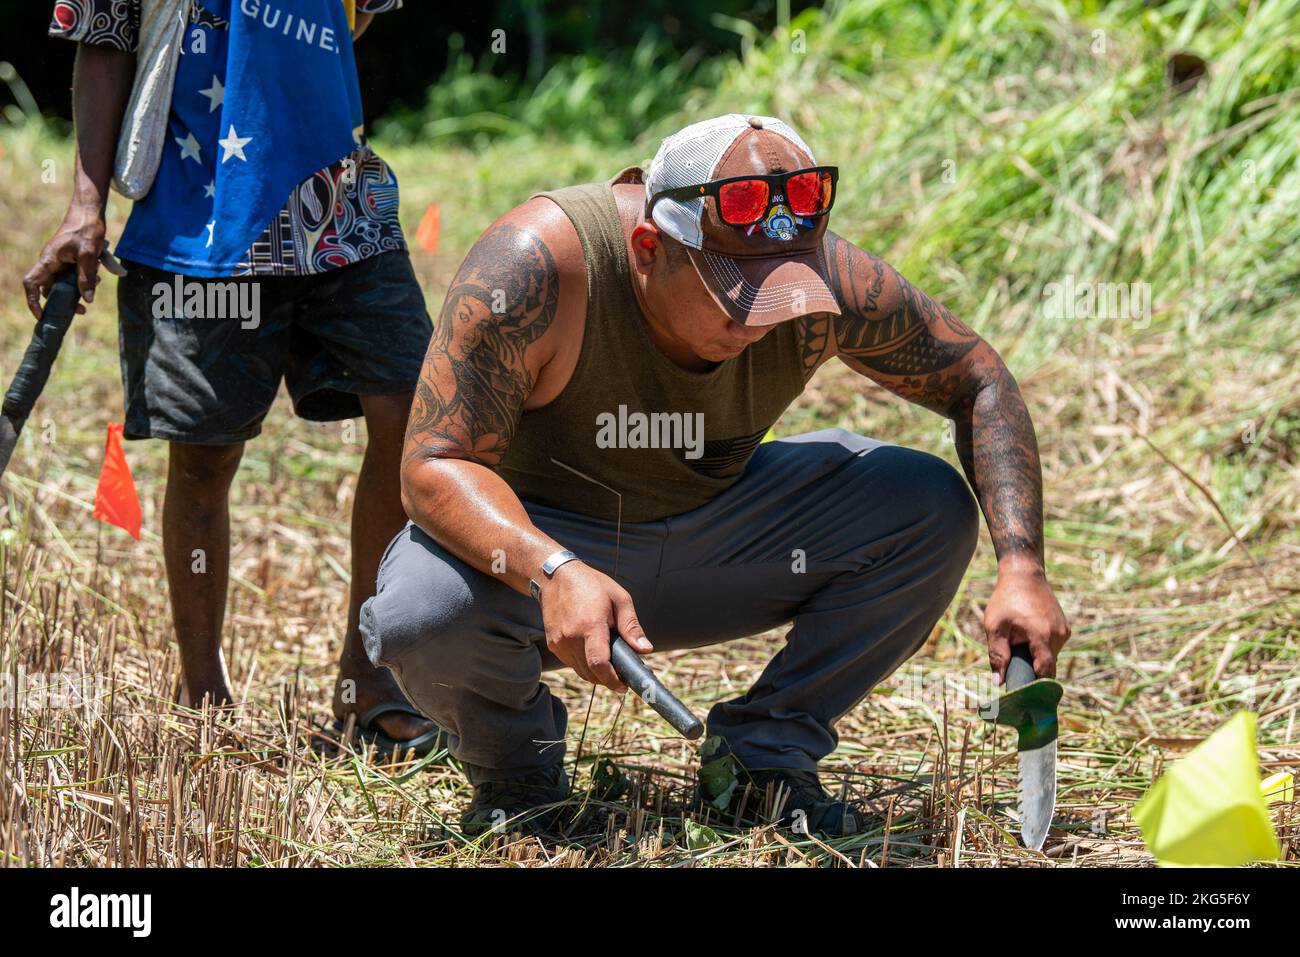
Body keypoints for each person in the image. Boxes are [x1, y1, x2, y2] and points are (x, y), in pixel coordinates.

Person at [361, 113, 1071, 834]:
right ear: (648, 248)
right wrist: (551, 568)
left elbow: (977, 380)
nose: (762, 319)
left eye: (783, 292)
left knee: (928, 508)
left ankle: (763, 759)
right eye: (735, 294)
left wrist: (1022, 565)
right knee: (422, 609)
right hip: (549, 552)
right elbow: (432, 465)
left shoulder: (828, 278)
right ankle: (520, 776)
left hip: (720, 540)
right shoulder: (535, 266)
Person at [25, 0, 440, 756]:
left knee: (414, 417)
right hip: (197, 212)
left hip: (340, 203)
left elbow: (356, 19)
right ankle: (204, 696)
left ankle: (368, 682)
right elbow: (104, 36)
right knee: (205, 452)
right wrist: (84, 205)